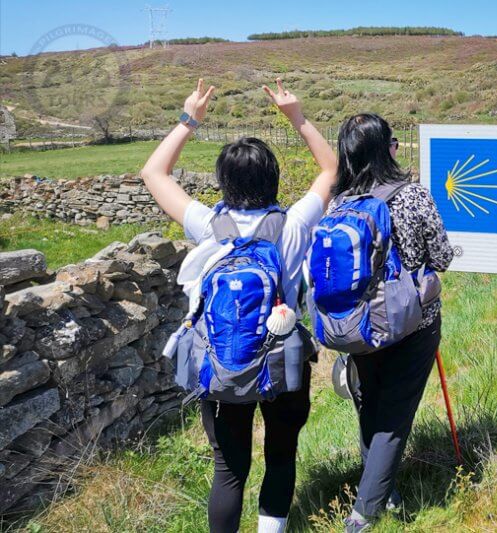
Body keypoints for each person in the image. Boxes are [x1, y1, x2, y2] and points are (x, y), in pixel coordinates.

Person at [140, 78, 337, 533]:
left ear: (223, 181)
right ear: (273, 178)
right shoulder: (292, 224)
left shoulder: (208, 225)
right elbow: (331, 169)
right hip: (283, 360)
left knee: (228, 471)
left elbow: (153, 173)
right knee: (281, 454)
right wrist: (296, 116)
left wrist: (189, 119)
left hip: (222, 361)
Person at [328, 113, 454, 532]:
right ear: (387, 149)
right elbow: (441, 257)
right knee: (395, 417)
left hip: (358, 325)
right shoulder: (413, 196)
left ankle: (386, 492)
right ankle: (364, 514)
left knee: (372, 405)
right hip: (411, 324)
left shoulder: (339, 202)